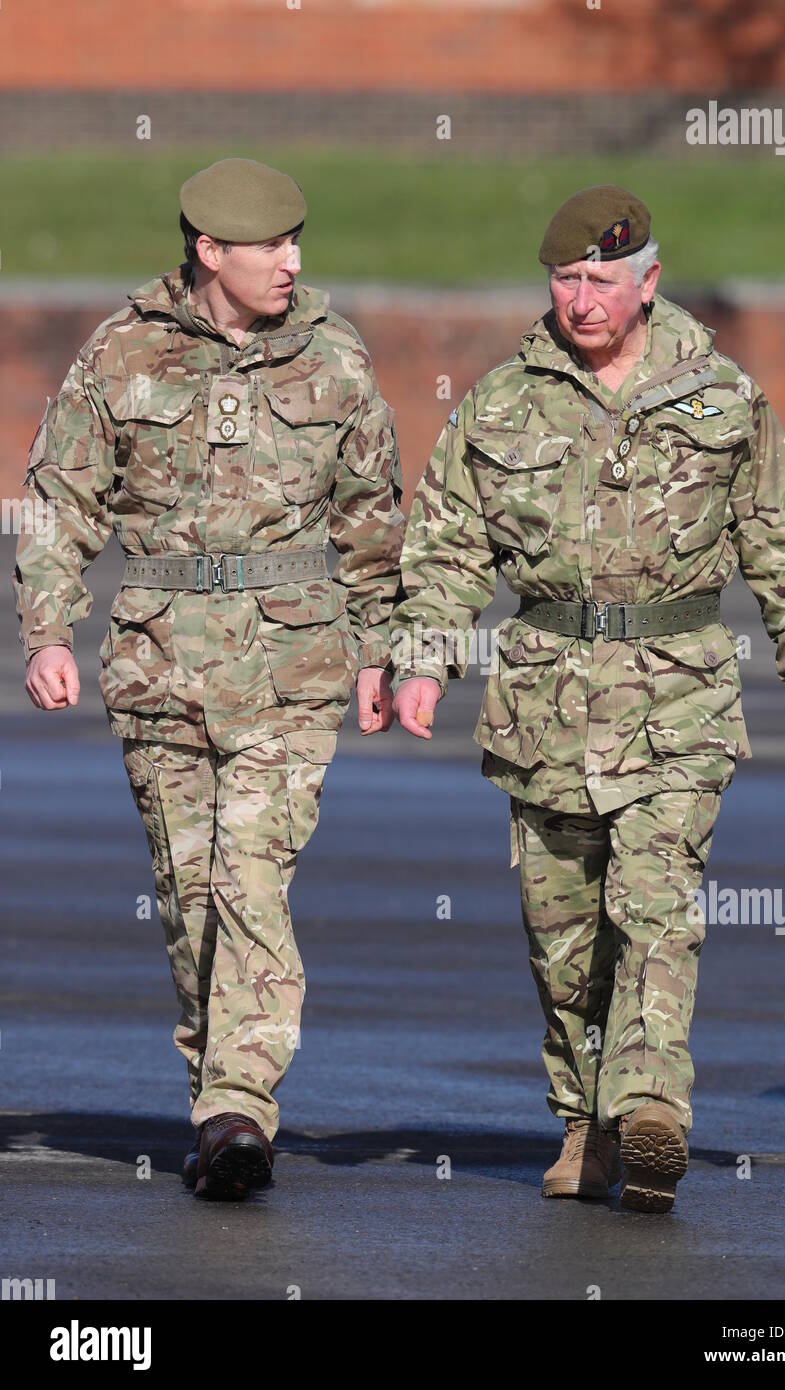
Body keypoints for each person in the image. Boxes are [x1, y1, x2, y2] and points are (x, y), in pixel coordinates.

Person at [390, 185, 785, 1213]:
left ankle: (651, 1112)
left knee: (655, 910)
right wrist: (422, 659)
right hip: (543, 703)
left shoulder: (722, 400)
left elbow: (784, 553)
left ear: (647, 284)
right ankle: (584, 1121)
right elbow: (447, 551)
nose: (582, 298)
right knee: (561, 938)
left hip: (677, 700)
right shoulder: (503, 401)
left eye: (603, 280)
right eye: (566, 279)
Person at [13, 158, 404, 1200]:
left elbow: (373, 517)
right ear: (208, 251)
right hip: (161, 667)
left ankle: (240, 1102)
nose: (293, 261)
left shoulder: (332, 355)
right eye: (270, 245)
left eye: (296, 239)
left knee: (251, 878)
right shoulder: (121, 353)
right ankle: (216, 1104)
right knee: (190, 899)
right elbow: (58, 500)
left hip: (292, 663)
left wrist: (381, 649)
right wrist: (46, 628)